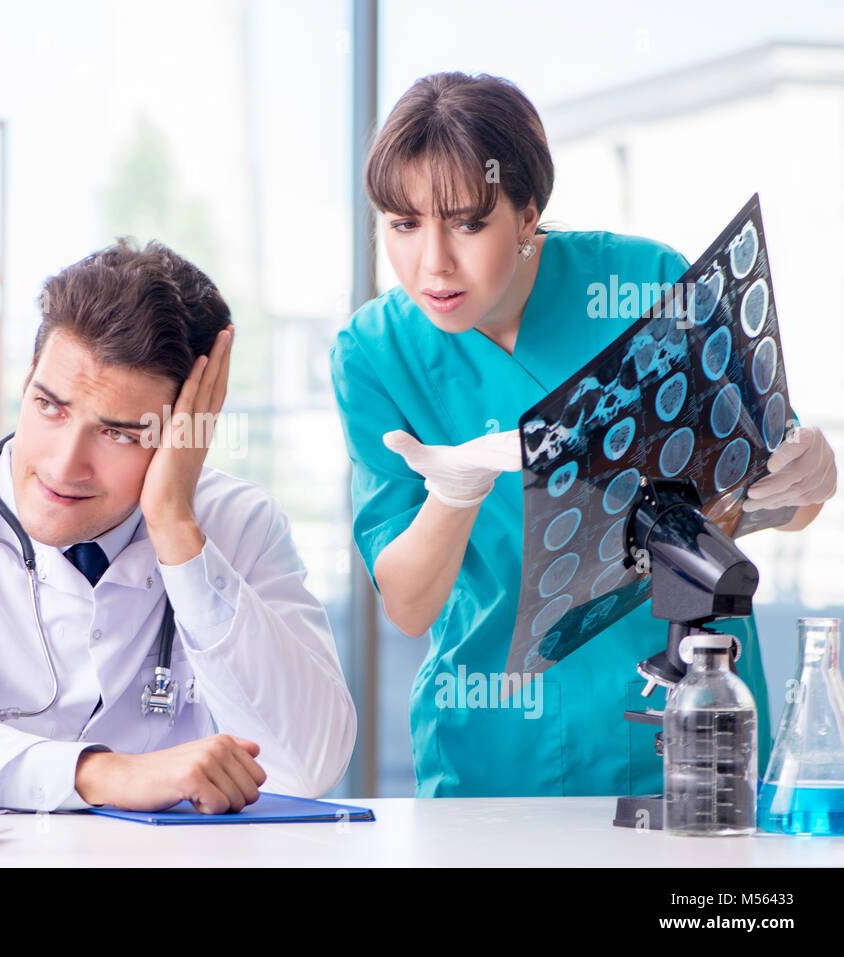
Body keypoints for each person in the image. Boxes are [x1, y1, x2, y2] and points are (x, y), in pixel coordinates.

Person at [330, 72, 837, 798]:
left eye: (469, 223)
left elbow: (766, 496)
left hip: (684, 715)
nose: (432, 263)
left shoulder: (645, 282)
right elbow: (408, 605)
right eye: (403, 224)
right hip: (494, 746)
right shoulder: (375, 352)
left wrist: (813, 475)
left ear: (529, 213)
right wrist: (453, 494)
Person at [0, 239, 356, 814]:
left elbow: (309, 763)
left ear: (186, 431)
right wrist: (98, 775)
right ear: (28, 377)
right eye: (50, 406)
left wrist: (176, 529)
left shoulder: (236, 525)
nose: (62, 464)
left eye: (119, 433)